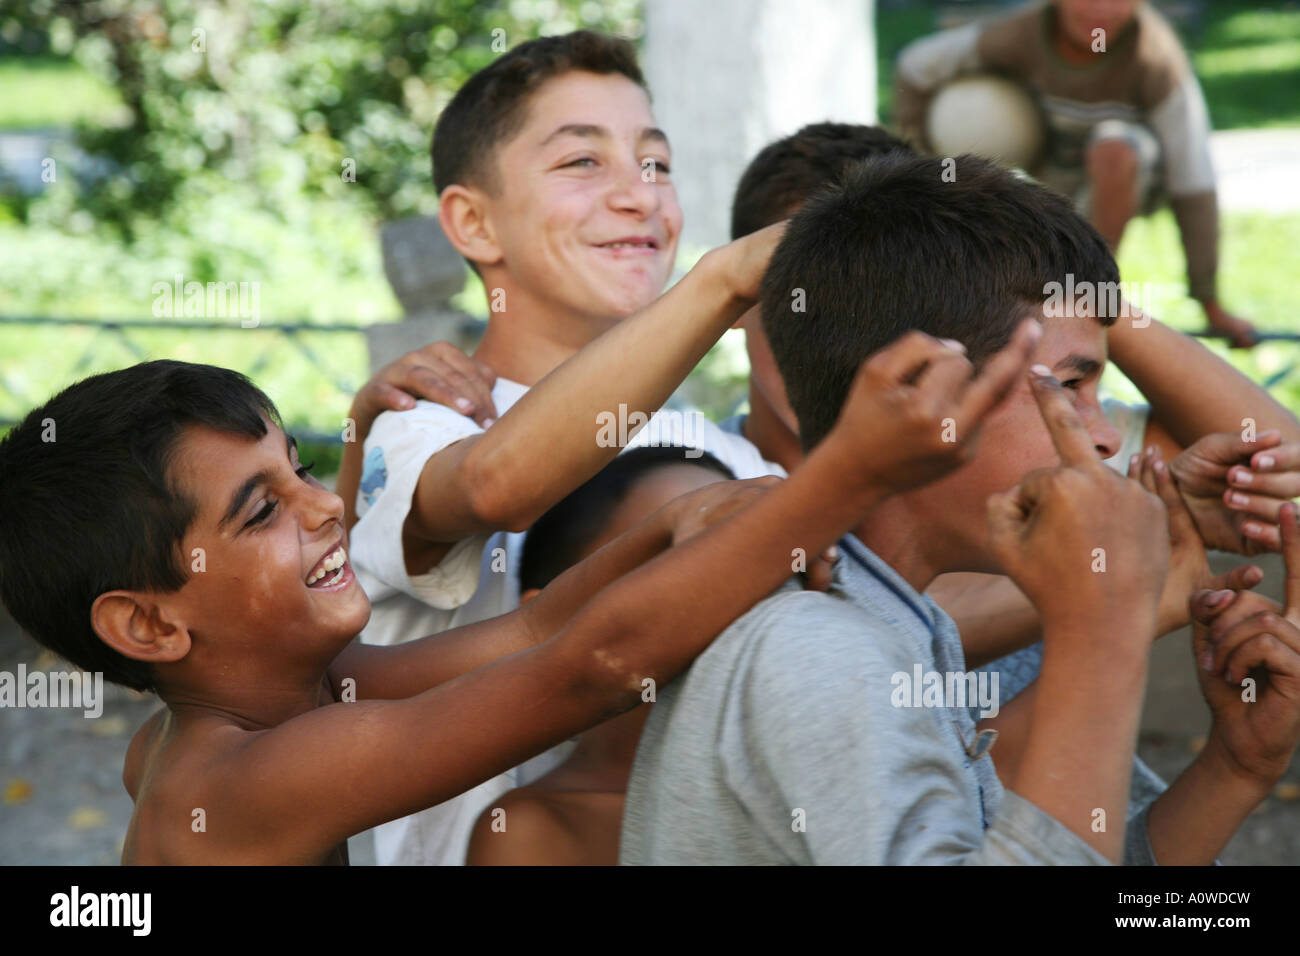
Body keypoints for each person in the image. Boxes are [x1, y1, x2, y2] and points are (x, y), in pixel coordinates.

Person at [0, 324, 1031, 863]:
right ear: (145, 622)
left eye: (303, 467)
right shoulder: (253, 778)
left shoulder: (239, 715)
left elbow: (538, 623)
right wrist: (842, 475)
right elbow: (587, 666)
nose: (324, 508)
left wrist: (665, 529)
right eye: (259, 510)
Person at [620, 154, 1300, 865]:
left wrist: (1234, 771)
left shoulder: (897, 628)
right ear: (924, 392)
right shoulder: (815, 650)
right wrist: (1102, 633)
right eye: (1070, 384)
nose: (1102, 435)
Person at [340, 30, 788, 866]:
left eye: (655, 163)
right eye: (583, 163)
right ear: (472, 222)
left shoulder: (721, 455)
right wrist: (720, 284)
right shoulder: (423, 419)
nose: (638, 196)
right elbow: (495, 485)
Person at [893, 0, 1258, 346]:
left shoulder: (1155, 59)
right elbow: (917, 64)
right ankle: (990, 292)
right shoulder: (1022, 34)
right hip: (1051, 169)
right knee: (977, 118)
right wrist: (926, 166)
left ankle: (1088, 291)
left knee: (1113, 149)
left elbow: (1193, 179)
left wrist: (1208, 300)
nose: (1098, 10)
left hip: (1126, 174)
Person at [466, 447, 736, 865]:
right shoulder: (535, 832)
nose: (718, 585)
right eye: (678, 555)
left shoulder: (794, 786)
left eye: (740, 550)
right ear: (558, 618)